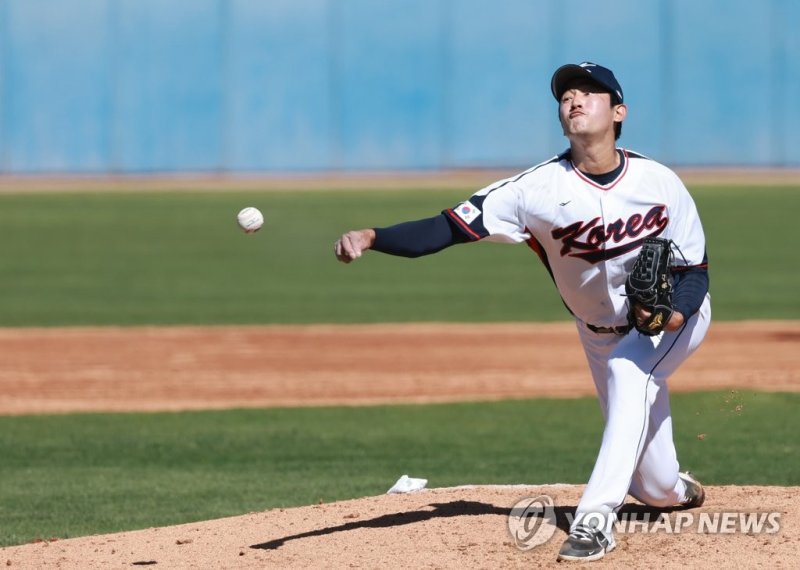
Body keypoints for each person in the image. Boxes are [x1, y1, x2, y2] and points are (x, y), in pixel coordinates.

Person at [333, 61, 710, 562]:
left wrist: (674, 317)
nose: (574, 100)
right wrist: (373, 237)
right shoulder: (532, 190)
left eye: (589, 93)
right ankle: (678, 491)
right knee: (656, 487)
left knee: (630, 366)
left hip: (674, 324)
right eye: (566, 95)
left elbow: (695, 271)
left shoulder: (660, 183)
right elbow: (446, 228)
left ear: (619, 111)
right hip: (597, 333)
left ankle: (595, 522)